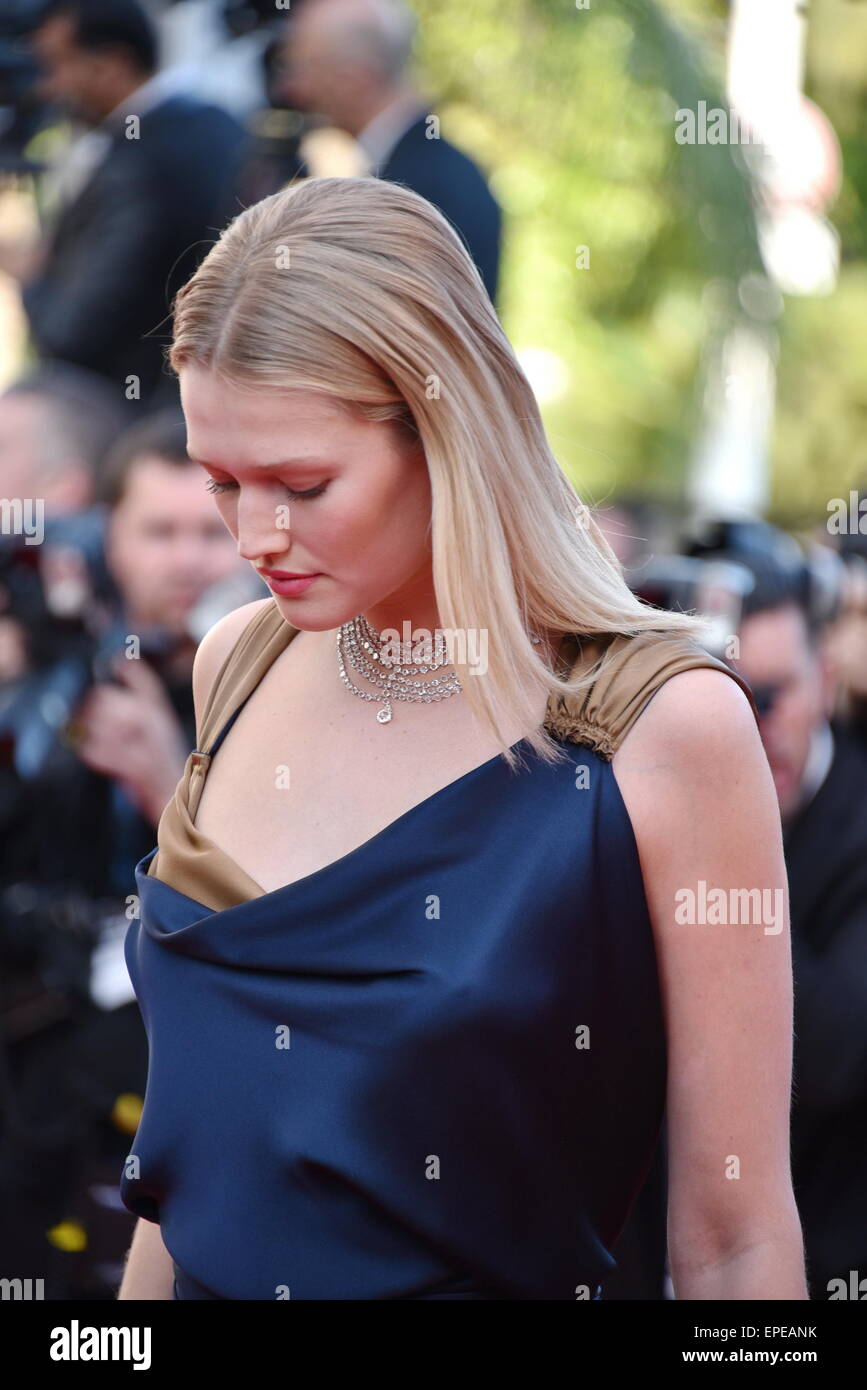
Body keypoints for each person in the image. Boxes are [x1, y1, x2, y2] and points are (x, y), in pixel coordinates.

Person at [116, 175, 807, 1301]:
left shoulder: (660, 726)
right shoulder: (238, 661)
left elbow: (735, 1247)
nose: (252, 535)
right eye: (219, 480)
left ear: (447, 430)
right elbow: (195, 1167)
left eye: (301, 482)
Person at [733, 555, 867, 1299]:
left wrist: (726, 844)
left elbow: (831, 1060)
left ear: (823, 676)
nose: (750, 727)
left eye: (769, 695)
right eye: (728, 701)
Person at [18, 0, 248, 413]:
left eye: (57, 65)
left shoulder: (139, 162)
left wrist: (31, 275)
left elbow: (77, 331)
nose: (48, 88)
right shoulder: (221, 126)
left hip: (139, 414)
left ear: (112, 63)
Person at [279, 0, 502, 305]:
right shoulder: (428, 169)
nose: (292, 90)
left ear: (355, 80)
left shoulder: (423, 187)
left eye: (304, 69)